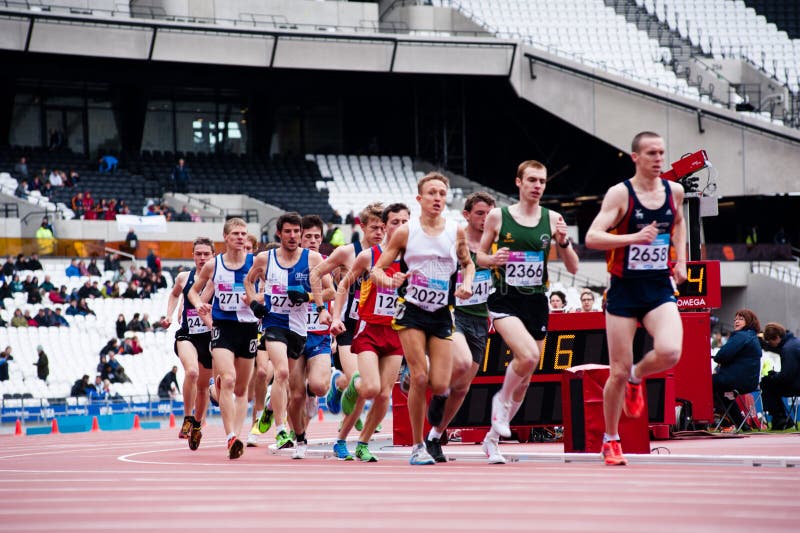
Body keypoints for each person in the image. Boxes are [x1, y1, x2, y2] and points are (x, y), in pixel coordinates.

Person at [585, 131, 687, 466]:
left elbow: (680, 224)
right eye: (651, 153)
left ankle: (638, 377)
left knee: (670, 351)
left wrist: (681, 261)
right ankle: (611, 439)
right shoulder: (620, 194)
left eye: (662, 152)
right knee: (616, 369)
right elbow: (592, 237)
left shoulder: (675, 191)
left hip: (658, 287)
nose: (659, 159)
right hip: (624, 290)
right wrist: (633, 238)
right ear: (635, 158)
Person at [476, 160, 579, 464]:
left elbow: (573, 266)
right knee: (528, 357)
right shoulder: (498, 216)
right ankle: (500, 401)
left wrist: (564, 241)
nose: (537, 186)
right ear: (518, 182)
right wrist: (494, 260)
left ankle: (492, 441)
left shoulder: (553, 219)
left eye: (542, 181)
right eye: (532, 180)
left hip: (536, 301)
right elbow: (479, 256)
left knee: (526, 376)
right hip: (504, 299)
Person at [371, 172, 475, 465]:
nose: (437, 198)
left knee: (441, 384)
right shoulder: (406, 231)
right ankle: (418, 446)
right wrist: (390, 282)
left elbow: (468, 265)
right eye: (432, 193)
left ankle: (425, 406)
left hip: (442, 313)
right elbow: (377, 270)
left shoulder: (455, 231)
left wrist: (466, 283)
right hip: (412, 311)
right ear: (420, 198)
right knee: (420, 376)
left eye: (442, 193)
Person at [327, 203, 410, 461]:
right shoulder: (369, 256)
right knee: (370, 388)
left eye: (405, 222)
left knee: (385, 393)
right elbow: (342, 287)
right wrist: (336, 317)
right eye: (394, 222)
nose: (400, 227)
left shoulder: (414, 257)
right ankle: (341, 437)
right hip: (369, 330)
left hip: (396, 331)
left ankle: (362, 444)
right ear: (385, 227)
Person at [244, 212, 330, 459]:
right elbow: (248, 283)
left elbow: (330, 290)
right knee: (280, 372)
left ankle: (300, 436)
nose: (293, 236)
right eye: (288, 231)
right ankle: (281, 429)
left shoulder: (313, 259)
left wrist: (311, 299)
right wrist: (253, 304)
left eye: (297, 232)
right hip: (274, 323)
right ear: (279, 234)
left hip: (300, 328)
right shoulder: (264, 258)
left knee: (297, 393)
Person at [424, 192, 496, 462]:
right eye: (479, 213)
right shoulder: (455, 242)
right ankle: (437, 387)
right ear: (466, 214)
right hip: (454, 314)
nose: (485, 219)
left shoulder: (496, 244)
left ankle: (434, 436)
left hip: (481, 319)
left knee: (463, 388)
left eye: (489, 214)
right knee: (463, 362)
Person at [188, 218, 257, 460]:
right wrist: (199, 306)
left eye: (244, 234)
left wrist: (256, 299)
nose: (241, 238)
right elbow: (193, 291)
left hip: (248, 328)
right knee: (227, 379)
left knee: (242, 391)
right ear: (226, 237)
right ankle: (231, 437)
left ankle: (236, 435)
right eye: (236, 233)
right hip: (223, 327)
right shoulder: (214, 265)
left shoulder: (255, 263)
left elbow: (268, 290)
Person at [311, 203, 386, 421]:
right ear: (362, 227)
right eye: (374, 228)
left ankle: (339, 384)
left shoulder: (391, 254)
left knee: (368, 382)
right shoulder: (347, 252)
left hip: (375, 324)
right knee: (358, 377)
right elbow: (316, 274)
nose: (379, 233)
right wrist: (321, 308)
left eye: (383, 228)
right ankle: (351, 420)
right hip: (347, 325)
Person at [163, 237, 215, 449]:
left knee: (203, 387)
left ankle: (197, 425)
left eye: (206, 254)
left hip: (210, 338)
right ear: (193, 256)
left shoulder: (219, 278)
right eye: (198, 254)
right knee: (191, 372)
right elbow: (174, 295)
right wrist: (168, 315)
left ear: (213, 256)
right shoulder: (184, 277)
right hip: (187, 334)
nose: (202, 258)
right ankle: (187, 417)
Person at [712, 309, 762, 429]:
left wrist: (720, 363)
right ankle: (742, 424)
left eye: (741, 319)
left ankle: (702, 423)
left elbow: (721, 356)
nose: (736, 321)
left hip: (735, 381)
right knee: (723, 393)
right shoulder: (752, 336)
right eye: (735, 319)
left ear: (749, 321)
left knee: (705, 383)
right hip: (750, 383)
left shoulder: (741, 336)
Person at [761, 323, 800, 430]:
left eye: (770, 342)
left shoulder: (788, 349)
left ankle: (780, 418)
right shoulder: (794, 343)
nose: (771, 344)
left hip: (796, 385)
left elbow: (787, 376)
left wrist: (774, 376)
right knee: (770, 382)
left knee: (767, 383)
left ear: (777, 338)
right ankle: (781, 418)